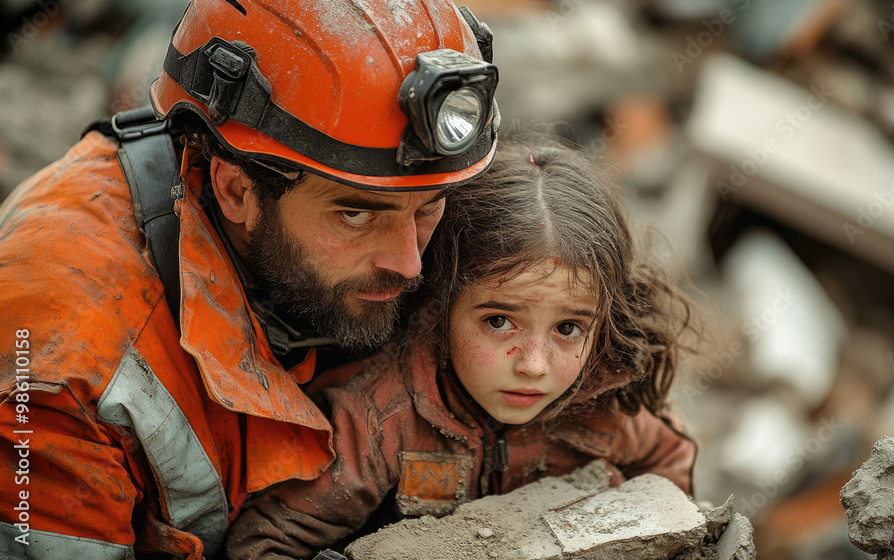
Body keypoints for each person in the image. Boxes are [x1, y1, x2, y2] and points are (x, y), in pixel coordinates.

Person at [0, 0, 499, 557]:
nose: (410, 264)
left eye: (429, 208)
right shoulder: (65, 365)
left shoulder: (358, 198)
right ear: (236, 189)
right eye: (356, 215)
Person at [225, 133, 699, 559]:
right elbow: (266, 542)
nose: (535, 366)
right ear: (439, 306)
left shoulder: (602, 402)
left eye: (569, 329)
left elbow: (668, 468)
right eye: (499, 321)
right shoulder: (376, 422)